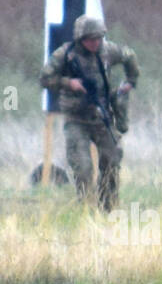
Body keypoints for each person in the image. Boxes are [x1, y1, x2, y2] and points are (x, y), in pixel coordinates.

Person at [39, 15, 139, 211]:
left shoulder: (108, 51)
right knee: (82, 167)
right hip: (76, 119)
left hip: (102, 116)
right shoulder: (65, 55)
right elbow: (45, 78)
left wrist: (130, 82)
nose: (95, 43)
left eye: (98, 38)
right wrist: (69, 83)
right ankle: (86, 209)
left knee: (112, 161)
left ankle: (107, 208)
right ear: (80, 38)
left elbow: (129, 56)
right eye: (90, 39)